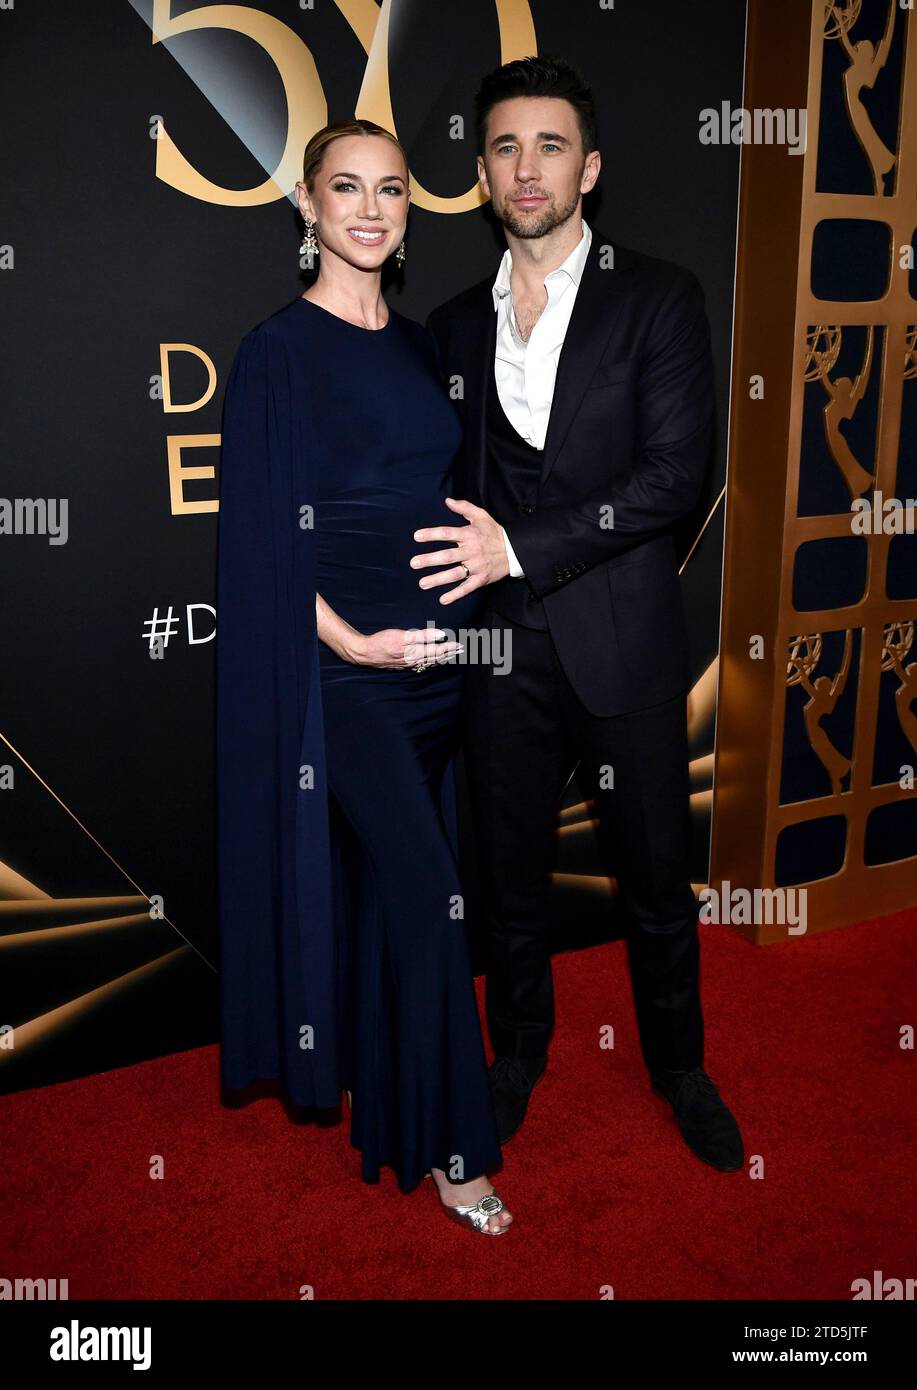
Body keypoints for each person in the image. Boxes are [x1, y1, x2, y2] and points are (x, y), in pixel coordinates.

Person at [413, 57, 744, 1170]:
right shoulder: (454, 324)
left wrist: (521, 543)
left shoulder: (658, 296)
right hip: (497, 647)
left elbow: (672, 475)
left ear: (588, 168)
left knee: (654, 878)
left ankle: (679, 1068)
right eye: (505, 147)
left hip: (623, 645)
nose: (526, 167)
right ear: (478, 173)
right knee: (505, 876)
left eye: (549, 146)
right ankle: (515, 1056)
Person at [215, 119, 512, 1234]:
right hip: (344, 681)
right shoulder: (274, 353)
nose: (372, 209)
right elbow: (255, 540)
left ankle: (395, 1111)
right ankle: (456, 1153)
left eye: (390, 189)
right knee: (433, 900)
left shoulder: (419, 346)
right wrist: (348, 641)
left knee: (409, 900)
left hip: (438, 669)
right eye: (347, 187)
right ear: (307, 205)